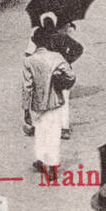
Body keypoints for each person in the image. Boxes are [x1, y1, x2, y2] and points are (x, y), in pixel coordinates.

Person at [22, 25, 75, 177]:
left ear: (35, 43)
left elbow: (27, 88)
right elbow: (71, 75)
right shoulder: (57, 58)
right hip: (56, 101)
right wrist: (59, 78)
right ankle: (52, 167)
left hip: (38, 104)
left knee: (40, 131)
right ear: (48, 42)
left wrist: (26, 110)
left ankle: (40, 160)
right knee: (54, 132)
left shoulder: (29, 61)